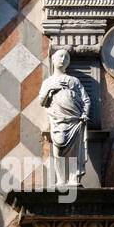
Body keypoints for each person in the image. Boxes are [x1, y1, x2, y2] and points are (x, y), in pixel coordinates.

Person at [39, 49, 90, 191]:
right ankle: (61, 179)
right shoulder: (48, 82)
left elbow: (86, 99)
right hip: (57, 120)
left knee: (75, 151)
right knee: (59, 149)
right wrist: (51, 90)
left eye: (66, 57)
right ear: (53, 60)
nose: (63, 59)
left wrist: (85, 113)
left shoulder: (74, 81)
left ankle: (74, 178)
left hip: (75, 120)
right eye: (60, 56)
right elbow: (41, 101)